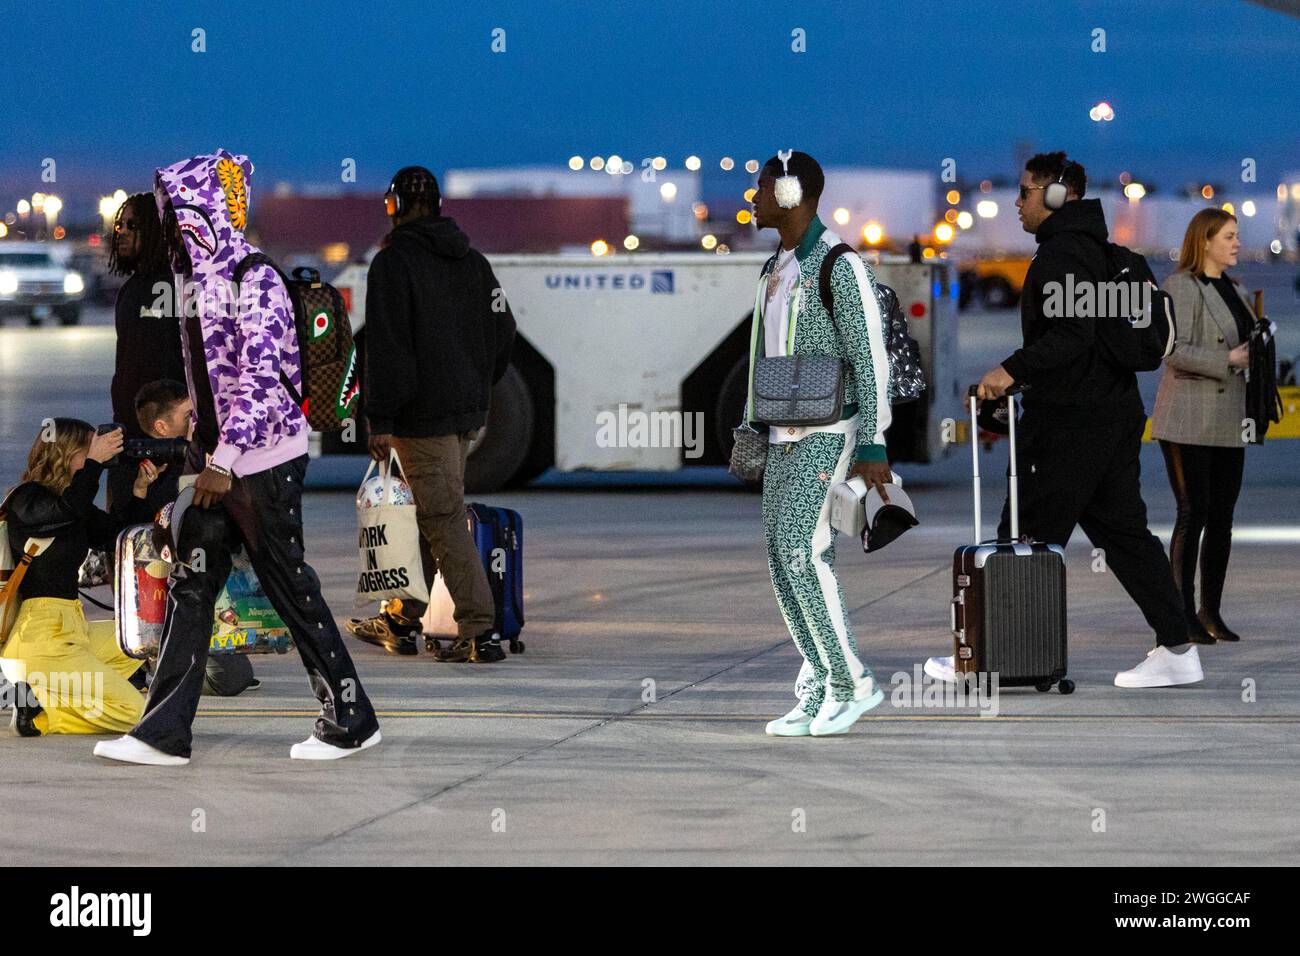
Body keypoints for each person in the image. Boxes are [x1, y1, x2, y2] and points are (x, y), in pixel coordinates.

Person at [93, 149, 380, 766]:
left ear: (206, 211)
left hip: (263, 462)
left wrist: (223, 460)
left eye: (179, 212)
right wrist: (197, 442)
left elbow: (262, 378)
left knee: (289, 586)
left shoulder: (256, 278)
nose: (170, 225)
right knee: (194, 585)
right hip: (225, 463)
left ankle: (351, 717)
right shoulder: (202, 283)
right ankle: (163, 734)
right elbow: (212, 382)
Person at [926, 151, 1204, 689]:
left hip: (1070, 423)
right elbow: (1091, 339)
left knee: (1022, 537)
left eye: (1026, 192)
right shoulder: (1103, 254)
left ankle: (993, 656)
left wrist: (1010, 370)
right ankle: (1178, 648)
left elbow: (1071, 337)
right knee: (1124, 536)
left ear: (1057, 197)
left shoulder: (1061, 256)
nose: (1017, 202)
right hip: (1115, 415)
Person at [746, 151, 894, 737]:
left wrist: (874, 443)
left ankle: (851, 682)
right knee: (784, 561)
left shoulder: (838, 263)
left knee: (807, 553)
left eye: (760, 189)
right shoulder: (776, 267)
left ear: (789, 193)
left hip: (830, 430)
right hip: (783, 430)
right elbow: (765, 351)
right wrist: (753, 424)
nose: (752, 199)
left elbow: (869, 356)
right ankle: (817, 687)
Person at [347, 166, 516, 663]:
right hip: (463, 415)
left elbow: (390, 349)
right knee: (427, 514)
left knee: (441, 519)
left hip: (420, 420)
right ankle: (401, 618)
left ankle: (479, 631)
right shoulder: (474, 262)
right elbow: (503, 329)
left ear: (393, 205)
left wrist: (381, 419)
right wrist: (477, 386)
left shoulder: (393, 264)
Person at [2, 420, 163, 736]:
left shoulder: (73, 509)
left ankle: (44, 696)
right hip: (39, 641)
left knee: (146, 640)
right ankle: (43, 712)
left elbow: (119, 535)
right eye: (89, 449)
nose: (98, 455)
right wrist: (95, 464)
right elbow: (65, 510)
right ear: (65, 453)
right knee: (140, 715)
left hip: (73, 632)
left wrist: (139, 493)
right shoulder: (27, 499)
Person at [1150, 209, 1254, 643]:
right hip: (1188, 418)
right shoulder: (1181, 286)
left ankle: (1212, 611)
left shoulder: (1237, 289)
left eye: (1236, 236)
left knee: (1223, 517)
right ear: (1205, 241)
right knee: (1193, 513)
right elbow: (1171, 352)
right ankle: (1182, 614)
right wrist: (1227, 360)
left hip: (1230, 418)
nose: (1236, 243)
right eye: (1228, 236)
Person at [132, 378, 260, 694]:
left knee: (234, 679)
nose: (196, 421)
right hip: (157, 601)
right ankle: (158, 663)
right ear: (162, 427)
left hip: (210, 595)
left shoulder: (208, 459)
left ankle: (182, 664)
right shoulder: (137, 469)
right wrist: (141, 490)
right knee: (228, 679)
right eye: (189, 415)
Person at [105, 193, 186, 513]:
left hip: (166, 441)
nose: (121, 231)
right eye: (119, 224)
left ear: (154, 229)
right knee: (124, 533)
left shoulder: (177, 285)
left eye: (132, 225)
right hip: (130, 436)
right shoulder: (132, 287)